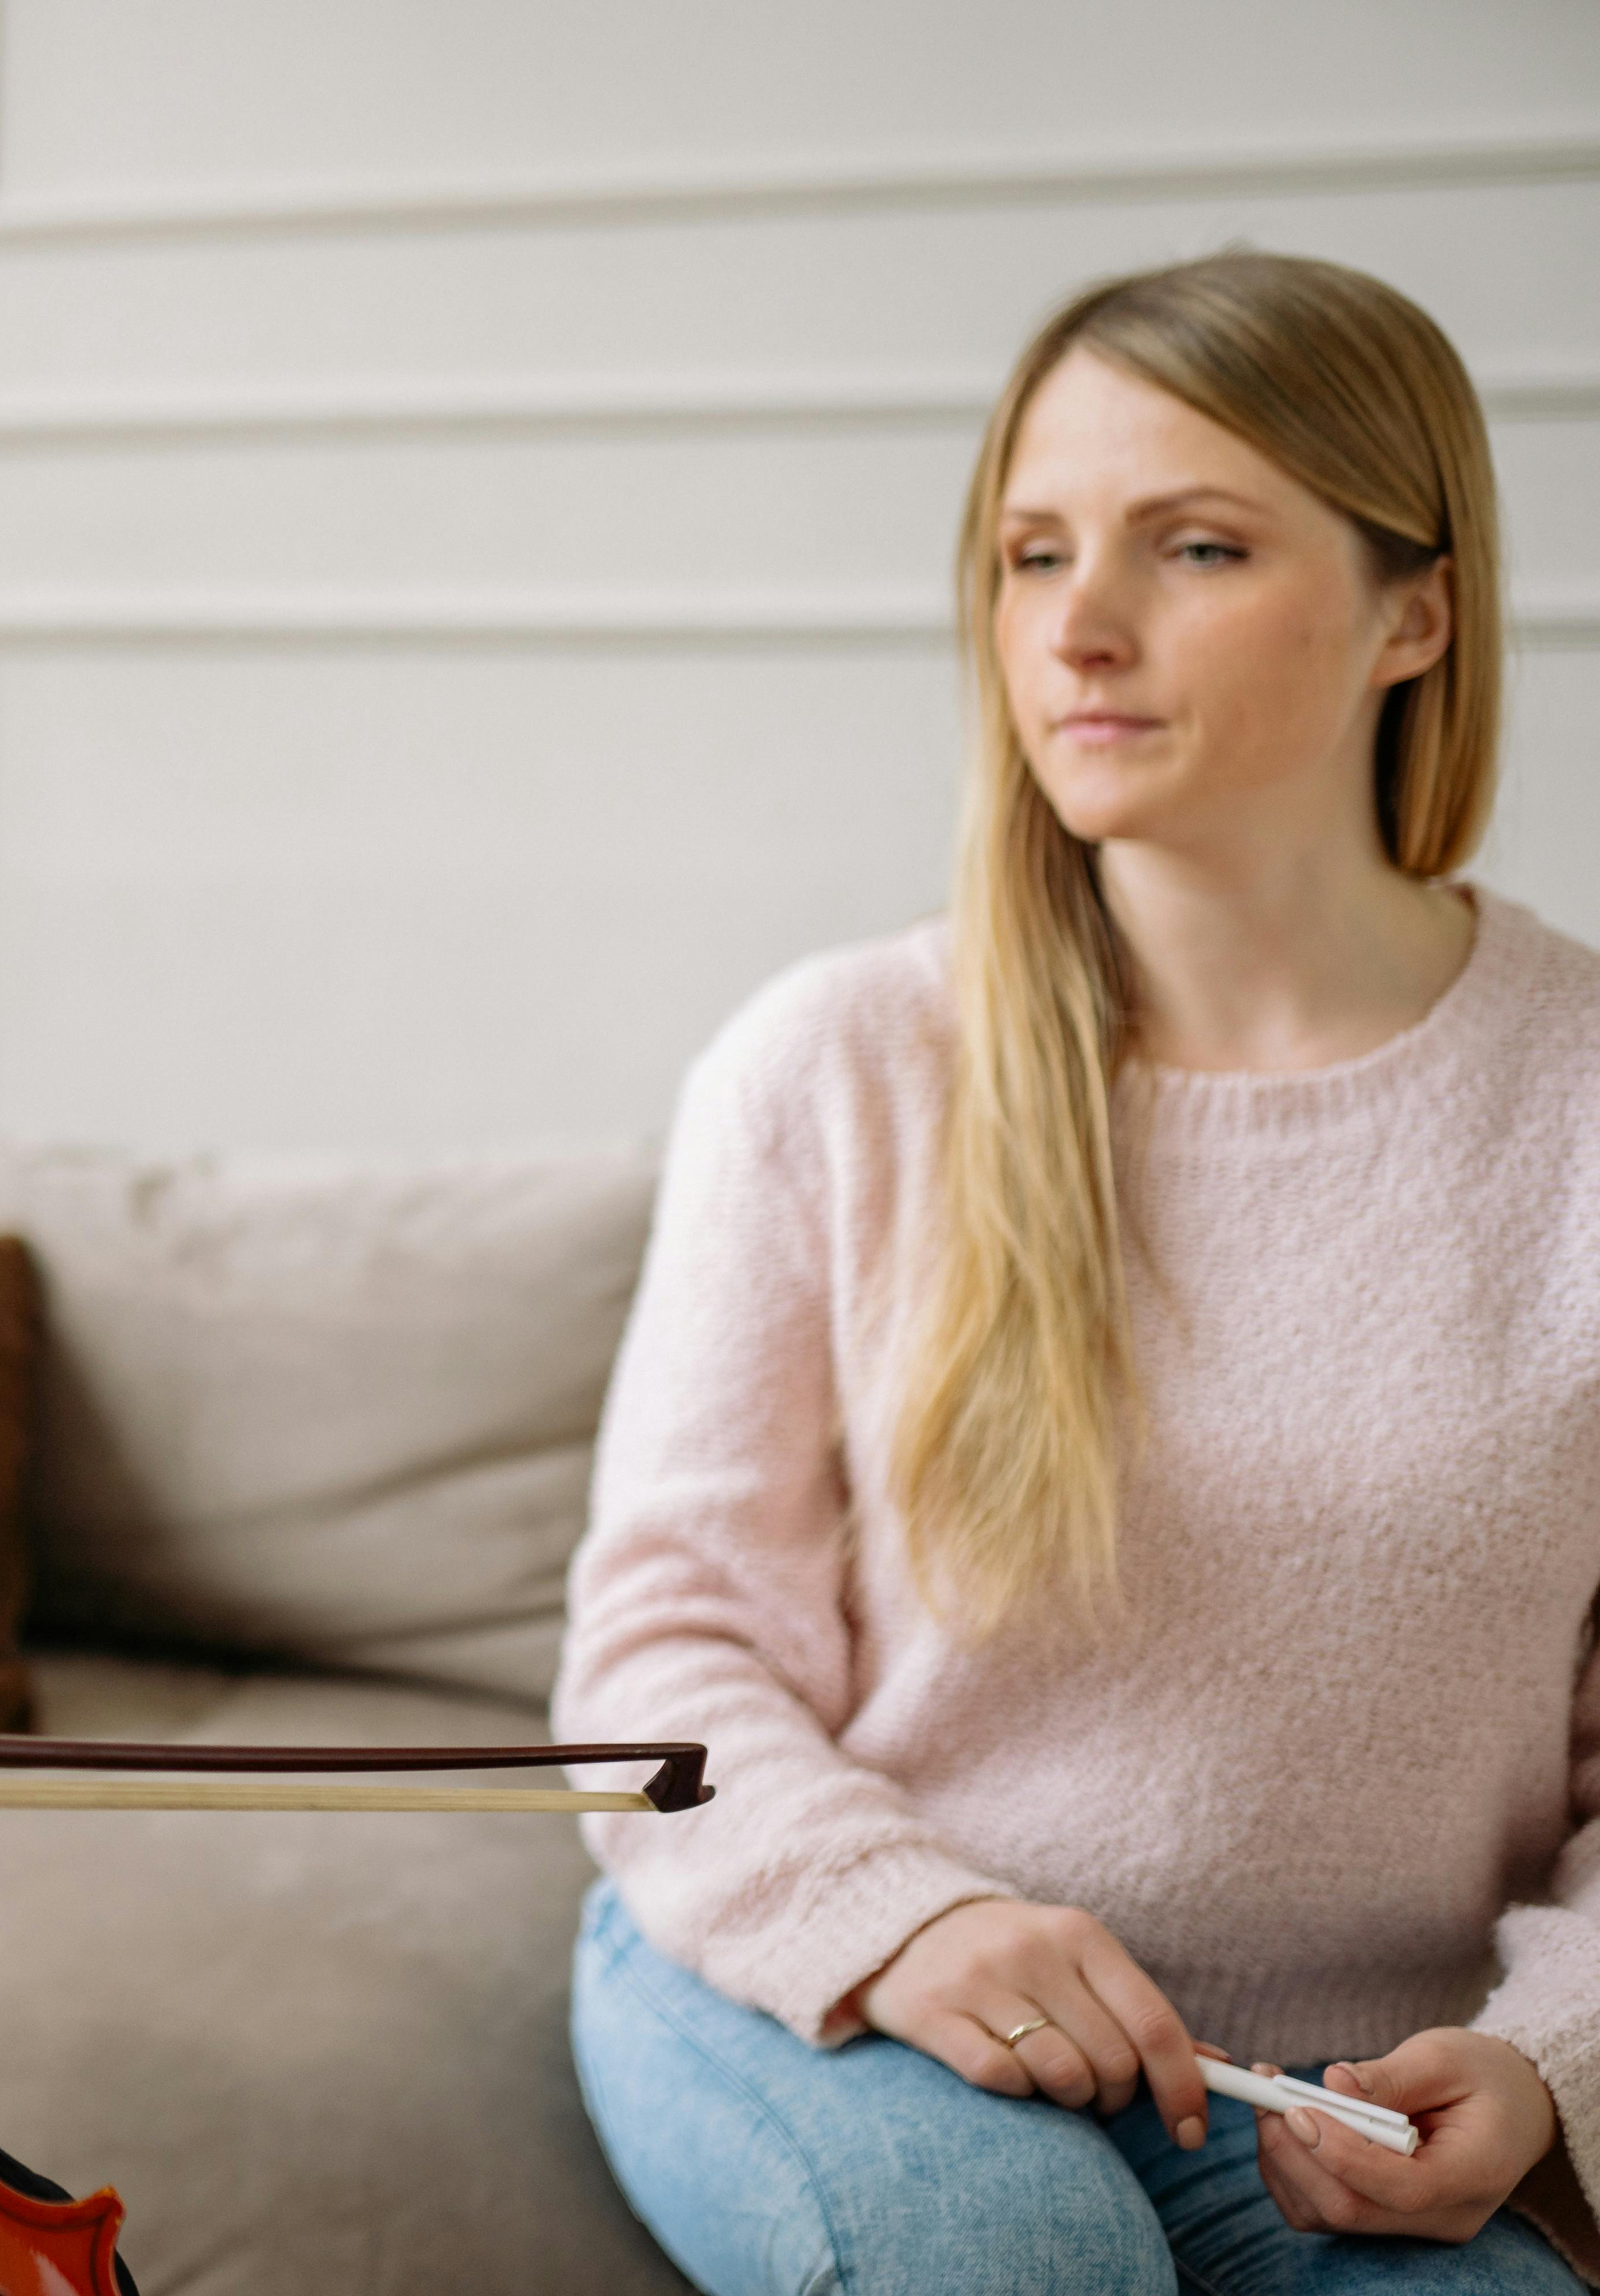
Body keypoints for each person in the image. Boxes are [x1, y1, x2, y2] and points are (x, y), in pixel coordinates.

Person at [554, 250, 1600, 2295]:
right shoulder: (836, 1066)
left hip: (1342, 2093)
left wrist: (1551, 2059)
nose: (1081, 632)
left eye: (1194, 546)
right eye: (1035, 555)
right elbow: (661, 1664)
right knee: (1012, 2253)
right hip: (829, 1959)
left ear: (1418, 614)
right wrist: (906, 1916)